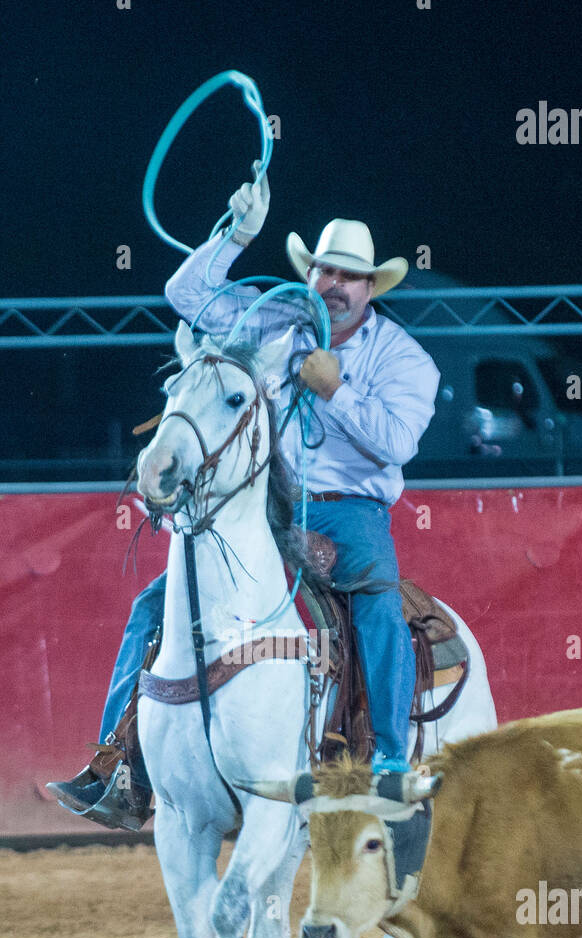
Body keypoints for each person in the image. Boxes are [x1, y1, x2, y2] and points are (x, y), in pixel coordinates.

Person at [48, 169, 440, 829]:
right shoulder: (277, 320)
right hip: (263, 501)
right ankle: (120, 762)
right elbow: (187, 294)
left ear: (371, 287)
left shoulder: (407, 361)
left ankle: (392, 762)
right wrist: (235, 234)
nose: (334, 285)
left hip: (350, 508)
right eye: (325, 271)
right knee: (156, 604)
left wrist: (335, 393)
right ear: (309, 274)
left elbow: (397, 443)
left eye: (349, 275)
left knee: (374, 596)